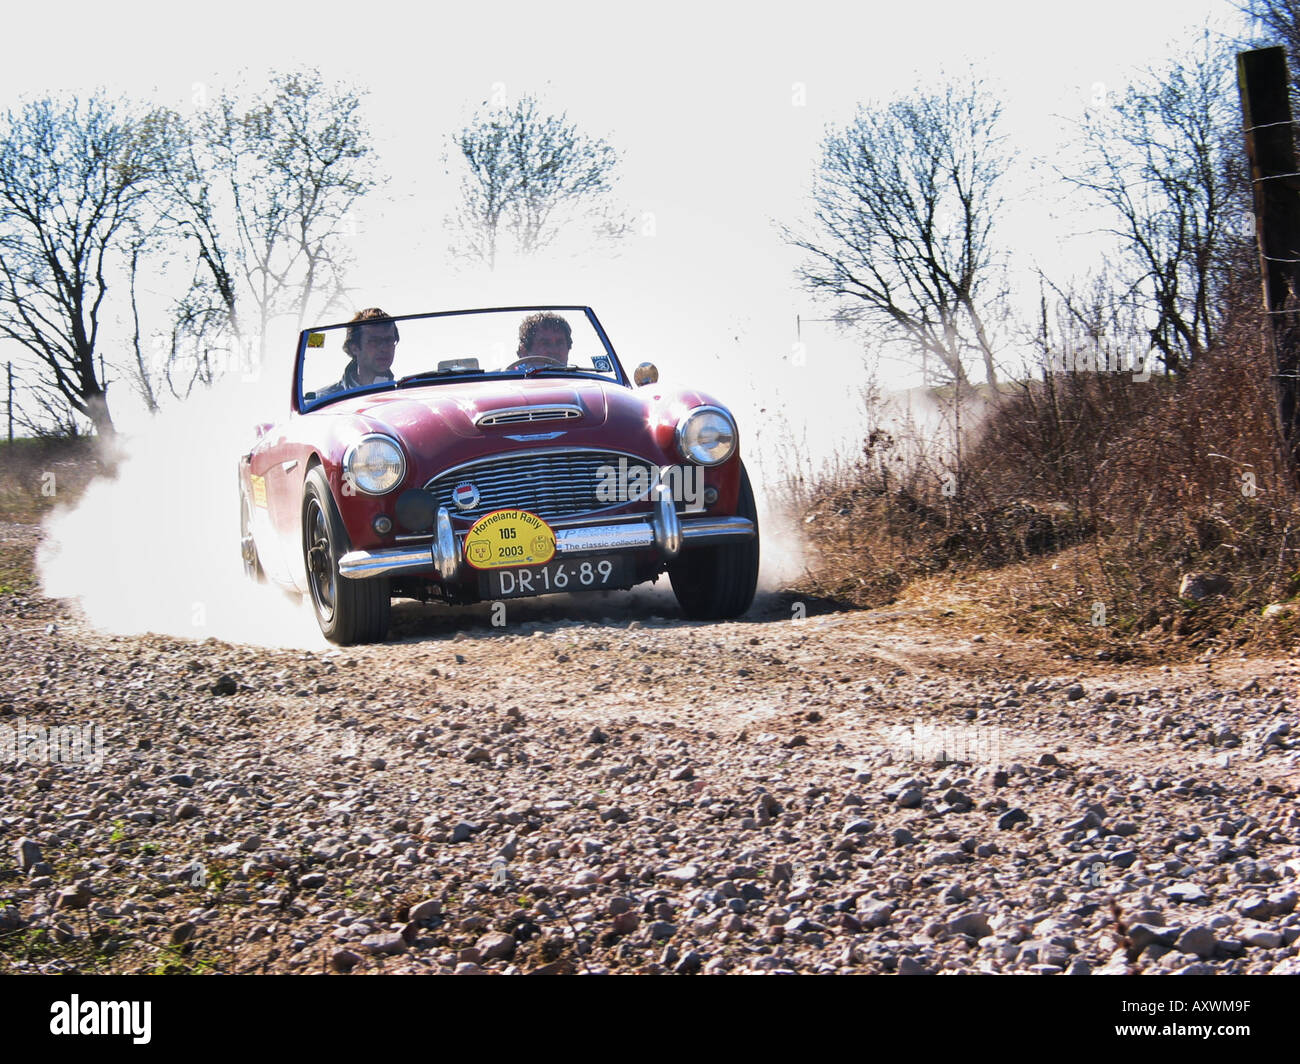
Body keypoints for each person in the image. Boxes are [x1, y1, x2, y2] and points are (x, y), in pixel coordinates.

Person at [319, 308, 400, 396]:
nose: (384, 348)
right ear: (354, 348)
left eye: (389, 340)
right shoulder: (325, 399)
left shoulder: (403, 396)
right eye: (374, 341)